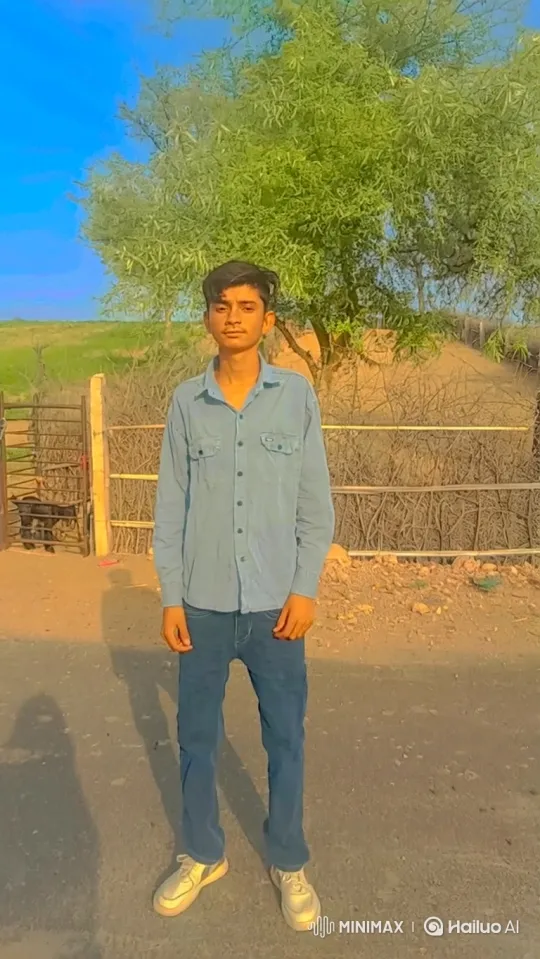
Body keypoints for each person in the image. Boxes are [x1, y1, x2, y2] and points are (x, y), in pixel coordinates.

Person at [152, 260, 335, 931]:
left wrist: (305, 587)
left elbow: (315, 507)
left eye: (247, 305)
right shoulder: (184, 404)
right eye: (221, 305)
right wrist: (172, 596)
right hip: (200, 606)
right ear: (208, 316)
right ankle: (202, 850)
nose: (233, 316)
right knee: (196, 738)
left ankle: (288, 858)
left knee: (285, 738)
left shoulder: (296, 397)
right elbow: (169, 510)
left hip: (275, 610)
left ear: (267, 318)